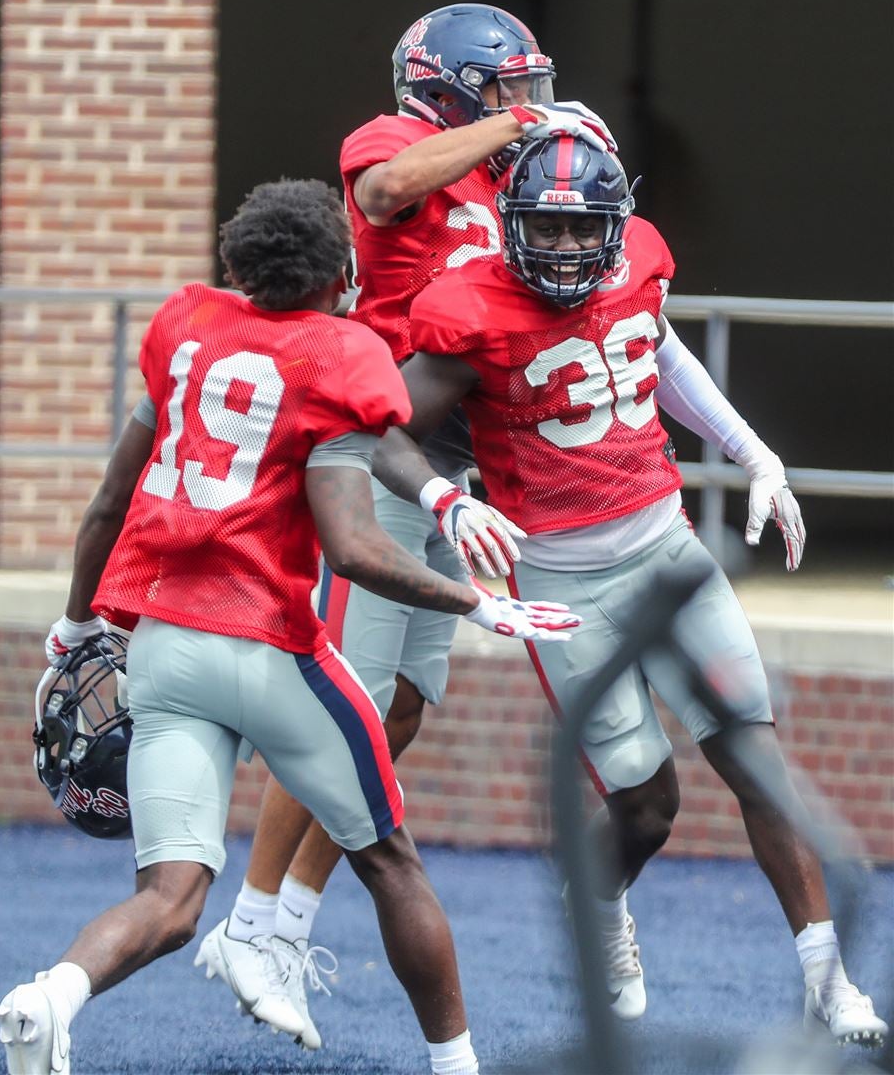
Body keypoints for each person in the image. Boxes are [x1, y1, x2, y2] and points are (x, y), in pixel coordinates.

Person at [0, 177, 580, 1075]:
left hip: (160, 648)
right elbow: (350, 549)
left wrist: (75, 631)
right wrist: (475, 601)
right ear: (338, 271)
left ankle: (50, 996)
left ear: (241, 258)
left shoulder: (185, 322)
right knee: (389, 859)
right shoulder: (343, 352)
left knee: (172, 895)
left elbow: (108, 503)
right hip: (268, 646)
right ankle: (458, 1066)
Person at [366, 134, 889, 1047]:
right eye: (547, 227)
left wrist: (754, 453)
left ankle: (828, 982)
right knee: (647, 805)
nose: (566, 248)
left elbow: (664, 355)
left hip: (667, 551)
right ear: (511, 225)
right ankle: (599, 899)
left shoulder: (639, 262)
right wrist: (446, 499)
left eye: (582, 230)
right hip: (564, 582)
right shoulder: (470, 307)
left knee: (754, 760)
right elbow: (384, 429)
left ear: (615, 229)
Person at [190, 3, 619, 1047]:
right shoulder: (392, 144)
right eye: (509, 87)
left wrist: (569, 153)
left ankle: (285, 923)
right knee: (351, 692)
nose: (526, 103)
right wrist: (517, 130)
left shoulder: (495, 165)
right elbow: (383, 193)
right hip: (381, 442)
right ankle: (249, 921)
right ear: (456, 88)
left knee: (406, 708)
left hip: (464, 455)